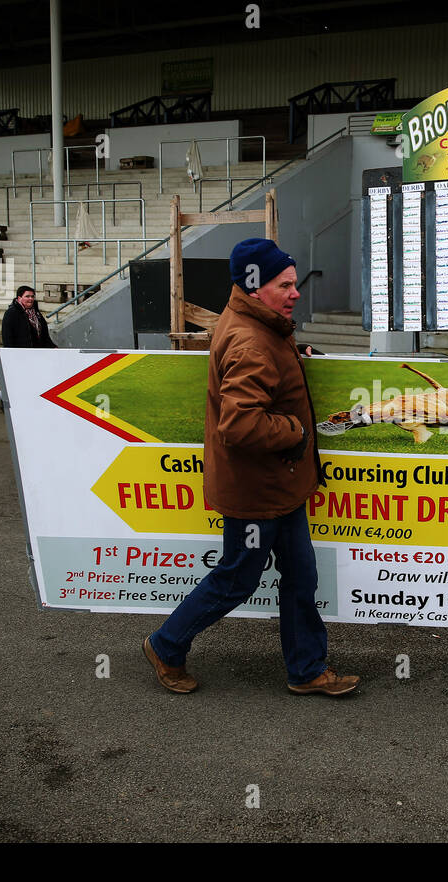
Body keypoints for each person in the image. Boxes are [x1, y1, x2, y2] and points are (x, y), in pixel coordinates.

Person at [142, 238, 360, 697]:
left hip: (278, 486)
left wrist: (292, 364)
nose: (296, 292)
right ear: (256, 287)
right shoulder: (251, 339)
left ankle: (306, 670)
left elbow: (259, 382)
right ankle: (166, 645)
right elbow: (239, 424)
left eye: (294, 282)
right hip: (256, 492)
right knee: (237, 579)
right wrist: (296, 431)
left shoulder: (258, 322)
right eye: (286, 284)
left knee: (301, 575)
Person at [0, 285, 56, 410]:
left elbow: (43, 334)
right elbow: (7, 336)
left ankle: (9, 397)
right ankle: (2, 396)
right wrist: (10, 354)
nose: (30, 299)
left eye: (32, 296)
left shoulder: (36, 314)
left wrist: (52, 347)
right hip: (20, 353)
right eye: (27, 296)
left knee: (32, 379)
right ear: (19, 298)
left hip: (36, 353)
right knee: (21, 379)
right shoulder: (11, 313)